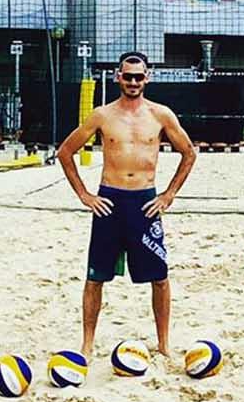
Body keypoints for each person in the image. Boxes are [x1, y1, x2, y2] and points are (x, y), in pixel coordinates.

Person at [57, 51, 197, 368]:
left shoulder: (161, 115)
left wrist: (169, 194)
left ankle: (163, 345)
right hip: (109, 203)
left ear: (147, 78)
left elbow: (189, 153)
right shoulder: (101, 116)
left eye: (139, 76)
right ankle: (87, 344)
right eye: (128, 76)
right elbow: (65, 152)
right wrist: (84, 194)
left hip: (145, 204)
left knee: (159, 278)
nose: (133, 81)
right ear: (118, 77)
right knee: (95, 278)